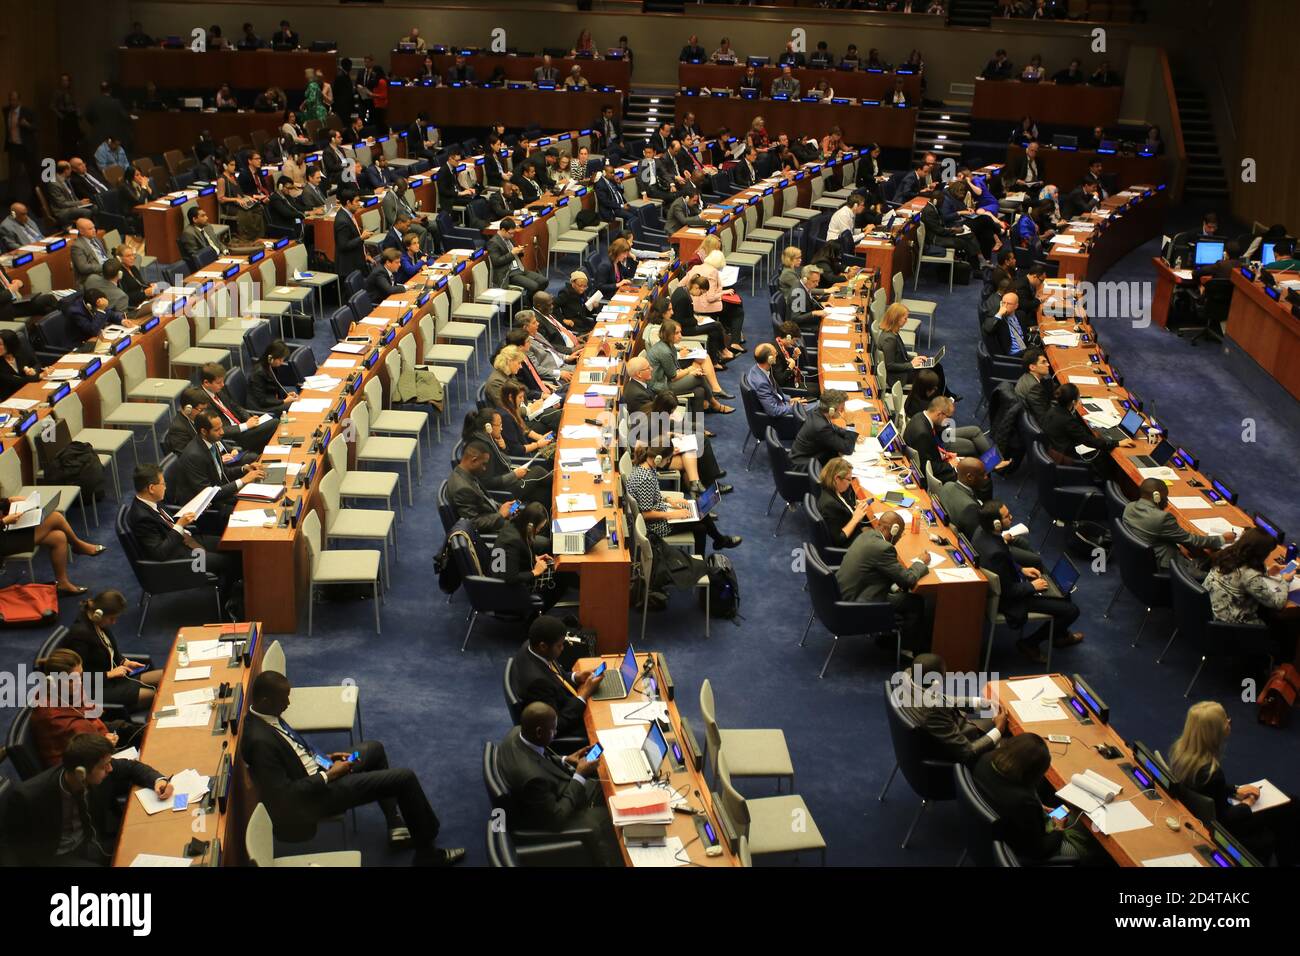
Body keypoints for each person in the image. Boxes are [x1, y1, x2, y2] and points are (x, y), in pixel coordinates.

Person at [244, 670, 463, 865]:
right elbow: (286, 795)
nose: (289, 704)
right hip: (315, 798)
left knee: (374, 749)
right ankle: (427, 855)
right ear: (265, 700)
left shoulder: (267, 715)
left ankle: (395, 824)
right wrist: (330, 775)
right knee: (404, 778)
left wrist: (326, 759)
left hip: (321, 771)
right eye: (284, 700)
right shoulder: (260, 742)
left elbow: (296, 753)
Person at [2, 733, 172, 866]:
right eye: (104, 766)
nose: (110, 769)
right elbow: (14, 849)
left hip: (92, 841)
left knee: (151, 845)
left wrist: (158, 780)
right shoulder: (29, 797)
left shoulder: (96, 769)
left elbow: (131, 767)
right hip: (57, 857)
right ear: (80, 773)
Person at [1168, 701, 1297, 866]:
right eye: (1225, 720)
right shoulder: (1213, 773)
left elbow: (1210, 789)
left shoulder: (1181, 753)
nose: (1228, 722)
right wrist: (1248, 803)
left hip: (1196, 816)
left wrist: (1235, 790)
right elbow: (1226, 820)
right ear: (1214, 733)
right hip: (1226, 832)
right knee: (1290, 807)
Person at [497, 702, 618, 863]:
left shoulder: (518, 732)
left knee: (608, 787)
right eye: (553, 729)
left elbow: (538, 757)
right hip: (553, 814)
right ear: (539, 732)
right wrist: (580, 775)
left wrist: (565, 759)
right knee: (611, 815)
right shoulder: (533, 779)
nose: (556, 732)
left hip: (552, 789)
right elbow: (556, 817)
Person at [974, 500, 1082, 662]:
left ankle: (1059, 636)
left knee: (1062, 593)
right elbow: (1008, 591)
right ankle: (1030, 643)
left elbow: (1006, 562)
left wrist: (1021, 569)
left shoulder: (981, 533)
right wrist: (1032, 586)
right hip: (1009, 601)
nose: (1011, 517)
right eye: (1006, 516)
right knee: (1072, 610)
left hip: (1009, 584)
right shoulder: (996, 553)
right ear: (996, 525)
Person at [973, 733, 1101, 862]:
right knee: (1089, 835)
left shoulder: (985, 759)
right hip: (1021, 853)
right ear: (1031, 773)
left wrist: (1038, 807)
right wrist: (1058, 829)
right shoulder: (1023, 802)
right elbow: (1038, 850)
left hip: (992, 832)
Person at [835, 511, 931, 650]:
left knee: (897, 588)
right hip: (857, 604)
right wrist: (920, 562)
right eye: (899, 533)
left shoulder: (867, 534)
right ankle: (902, 648)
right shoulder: (883, 548)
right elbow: (907, 580)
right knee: (915, 602)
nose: (899, 538)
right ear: (892, 530)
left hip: (845, 593)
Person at [626, 444, 740, 557]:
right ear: (658, 459)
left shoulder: (645, 466)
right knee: (700, 513)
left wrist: (669, 500)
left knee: (701, 527)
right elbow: (646, 514)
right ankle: (720, 540)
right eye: (668, 459)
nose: (669, 461)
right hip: (653, 526)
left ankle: (703, 560)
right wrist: (672, 514)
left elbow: (651, 495)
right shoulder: (646, 478)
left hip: (658, 510)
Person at [896, 653, 1007, 765]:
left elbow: (942, 699)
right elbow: (968, 752)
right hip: (952, 749)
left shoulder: (908, 675)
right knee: (1010, 743)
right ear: (936, 682)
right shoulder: (933, 709)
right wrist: (999, 729)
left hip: (937, 731)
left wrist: (978, 702)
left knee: (989, 715)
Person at [1202, 529, 1298, 657]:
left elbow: (1239, 577)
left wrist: (1267, 572)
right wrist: (1285, 581)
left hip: (1207, 611)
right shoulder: (1249, 575)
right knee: (1284, 625)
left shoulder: (1225, 554)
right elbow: (1278, 603)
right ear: (1260, 554)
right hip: (1231, 626)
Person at [63, 590, 162, 712]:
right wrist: (109, 674)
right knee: (156, 697)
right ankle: (120, 712)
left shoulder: (97, 623)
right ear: (98, 614)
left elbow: (108, 648)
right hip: (96, 688)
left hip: (114, 678)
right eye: (112, 618)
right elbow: (75, 677)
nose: (114, 622)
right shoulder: (79, 636)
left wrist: (123, 661)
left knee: (164, 676)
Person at [172, 407, 269, 521]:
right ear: (204, 431)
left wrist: (244, 469)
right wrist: (243, 481)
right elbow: (207, 495)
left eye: (222, 427)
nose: (222, 432)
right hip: (207, 510)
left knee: (262, 501)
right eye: (217, 430)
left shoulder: (211, 442)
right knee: (254, 515)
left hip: (221, 496)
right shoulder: (194, 456)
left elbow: (223, 472)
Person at [1122, 478, 1231, 571]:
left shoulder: (1129, 507)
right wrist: (1222, 539)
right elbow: (1193, 540)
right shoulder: (1162, 518)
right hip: (1160, 565)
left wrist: (1178, 542)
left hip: (1136, 560)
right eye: (1166, 496)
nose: (1167, 500)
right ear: (1157, 497)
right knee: (1212, 571)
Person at [1040, 382, 1134, 467]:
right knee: (1103, 457)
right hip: (1065, 459)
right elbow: (1089, 441)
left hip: (1054, 450)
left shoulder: (1052, 409)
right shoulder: (1068, 421)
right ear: (1073, 402)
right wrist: (1117, 443)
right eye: (1078, 398)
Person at [200, 363, 278, 452]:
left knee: (272, 420)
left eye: (223, 381)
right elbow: (218, 430)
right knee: (275, 422)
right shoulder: (202, 402)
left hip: (243, 426)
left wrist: (250, 419)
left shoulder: (218, 390)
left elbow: (235, 406)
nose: (222, 385)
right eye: (218, 382)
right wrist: (246, 425)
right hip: (234, 437)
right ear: (206, 383)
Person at [448, 440, 517, 535]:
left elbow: (485, 500)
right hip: (494, 531)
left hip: (494, 516)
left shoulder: (466, 473)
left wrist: (503, 508)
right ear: (474, 460)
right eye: (483, 464)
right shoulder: (462, 489)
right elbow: (473, 524)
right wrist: (500, 515)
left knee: (526, 514)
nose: (484, 468)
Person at [792, 390, 858, 471]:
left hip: (807, 458)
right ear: (831, 410)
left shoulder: (818, 413)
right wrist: (850, 424)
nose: (843, 411)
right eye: (841, 408)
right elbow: (847, 449)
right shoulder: (821, 427)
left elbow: (833, 427)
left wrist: (849, 433)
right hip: (806, 468)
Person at [817, 457, 872, 548]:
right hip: (848, 547)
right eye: (848, 480)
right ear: (837, 478)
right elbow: (838, 539)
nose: (850, 483)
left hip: (853, 531)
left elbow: (843, 506)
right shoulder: (829, 505)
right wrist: (855, 518)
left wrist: (854, 507)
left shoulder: (834, 489)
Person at [247, 340, 300, 415]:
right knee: (293, 405)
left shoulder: (270, 366)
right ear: (271, 358)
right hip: (261, 407)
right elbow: (262, 400)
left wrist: (287, 394)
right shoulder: (258, 373)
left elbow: (276, 384)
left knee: (294, 400)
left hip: (270, 398)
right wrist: (284, 401)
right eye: (280, 360)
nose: (282, 363)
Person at [333, 188, 371, 279]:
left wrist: (365, 255)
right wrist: (361, 238)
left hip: (357, 261)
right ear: (348, 203)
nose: (359, 204)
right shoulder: (342, 221)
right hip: (349, 267)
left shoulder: (349, 214)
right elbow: (343, 245)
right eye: (357, 201)